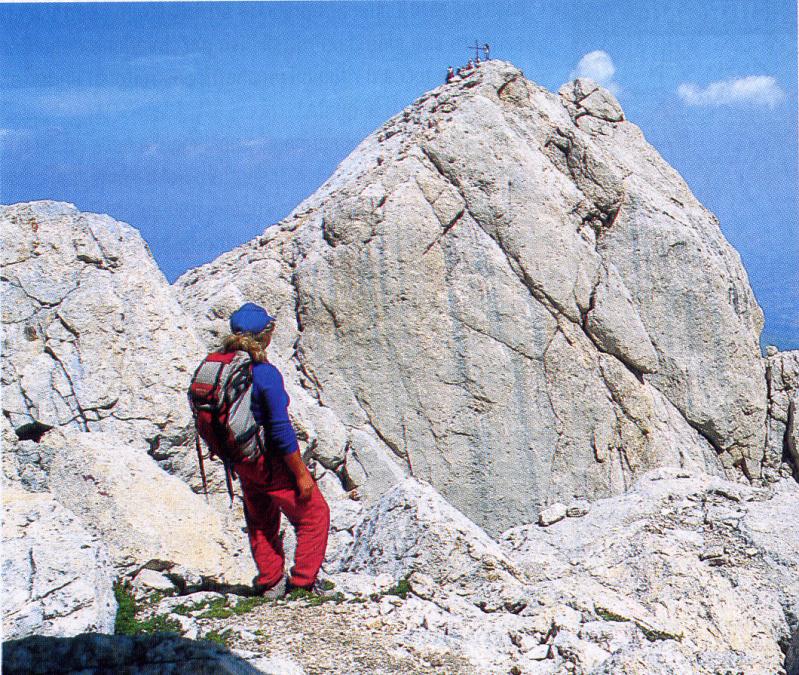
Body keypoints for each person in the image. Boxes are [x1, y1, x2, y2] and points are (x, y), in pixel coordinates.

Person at [223, 302, 330, 598]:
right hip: (266, 460)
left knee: (260, 518)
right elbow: (281, 430)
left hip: (240, 459)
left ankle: (270, 582)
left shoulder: (223, 368)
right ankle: (303, 583)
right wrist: (301, 474)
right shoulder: (263, 373)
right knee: (314, 513)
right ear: (266, 335)